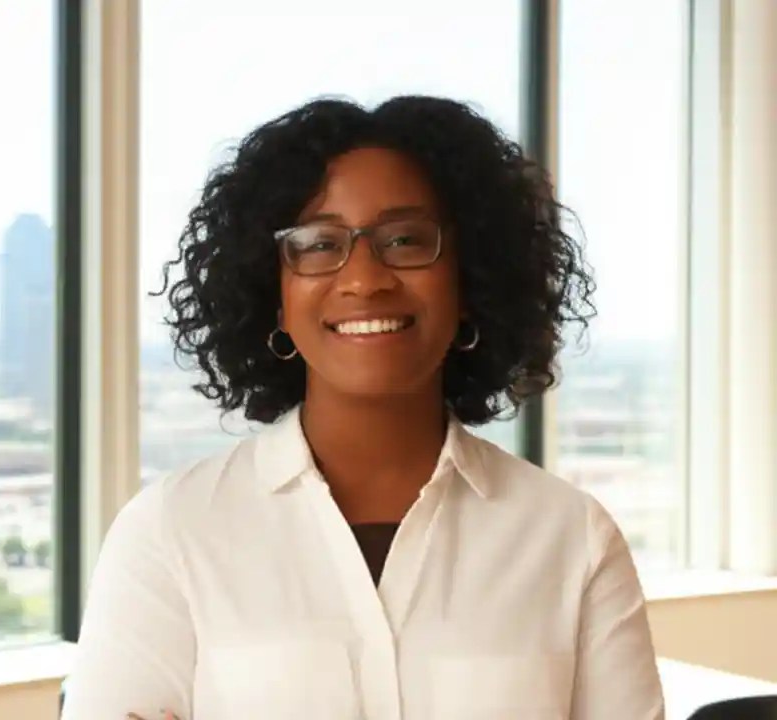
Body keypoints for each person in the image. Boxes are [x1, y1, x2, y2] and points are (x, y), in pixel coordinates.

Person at [60, 96, 664, 720]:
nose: (364, 278)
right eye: (318, 244)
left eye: (405, 239)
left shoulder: (573, 540)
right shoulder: (170, 531)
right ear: (274, 296)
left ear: (471, 280)